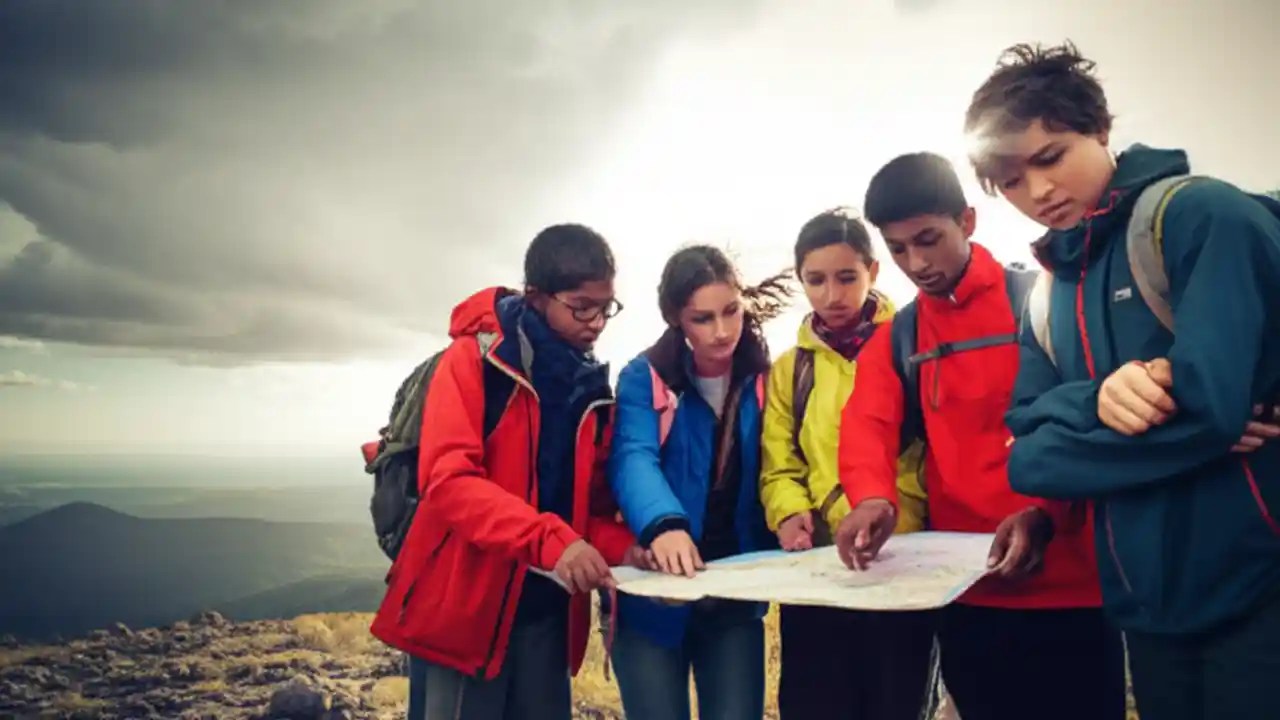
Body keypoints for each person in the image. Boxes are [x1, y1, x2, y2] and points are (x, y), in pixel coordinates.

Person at [964, 41, 1280, 720]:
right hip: (1146, 608)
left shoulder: (1201, 218)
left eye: (1050, 157)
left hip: (1261, 593)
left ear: (1100, 129)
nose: (1039, 192)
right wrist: (1099, 397)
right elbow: (1030, 459)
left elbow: (1212, 409)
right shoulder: (1048, 295)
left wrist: (1184, 417)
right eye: (1012, 181)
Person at [834, 151, 1127, 720]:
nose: (915, 262)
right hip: (968, 591)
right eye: (897, 249)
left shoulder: (1041, 301)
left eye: (928, 239)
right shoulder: (903, 335)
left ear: (967, 221)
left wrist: (1043, 510)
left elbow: (1085, 422)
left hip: (1072, 584)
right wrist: (873, 496)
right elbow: (867, 421)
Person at [369, 224, 648, 720]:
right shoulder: (474, 363)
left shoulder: (591, 386)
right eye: (582, 306)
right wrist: (551, 541)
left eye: (606, 306)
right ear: (537, 297)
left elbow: (587, 509)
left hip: (546, 612)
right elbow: (449, 482)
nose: (597, 322)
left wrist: (623, 547)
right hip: (465, 610)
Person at [759, 207, 938, 719]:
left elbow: (935, 449)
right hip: (819, 573)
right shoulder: (791, 369)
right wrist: (790, 513)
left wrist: (900, 513)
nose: (832, 295)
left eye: (846, 277)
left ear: (873, 272)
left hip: (905, 568)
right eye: (815, 280)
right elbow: (780, 462)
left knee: (895, 705)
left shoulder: (913, 345)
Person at [606, 244, 790, 720]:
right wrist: (663, 525)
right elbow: (633, 456)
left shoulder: (768, 380)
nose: (723, 331)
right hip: (653, 593)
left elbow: (783, 465)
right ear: (675, 319)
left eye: (731, 311)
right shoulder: (645, 378)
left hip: (734, 595)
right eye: (702, 319)